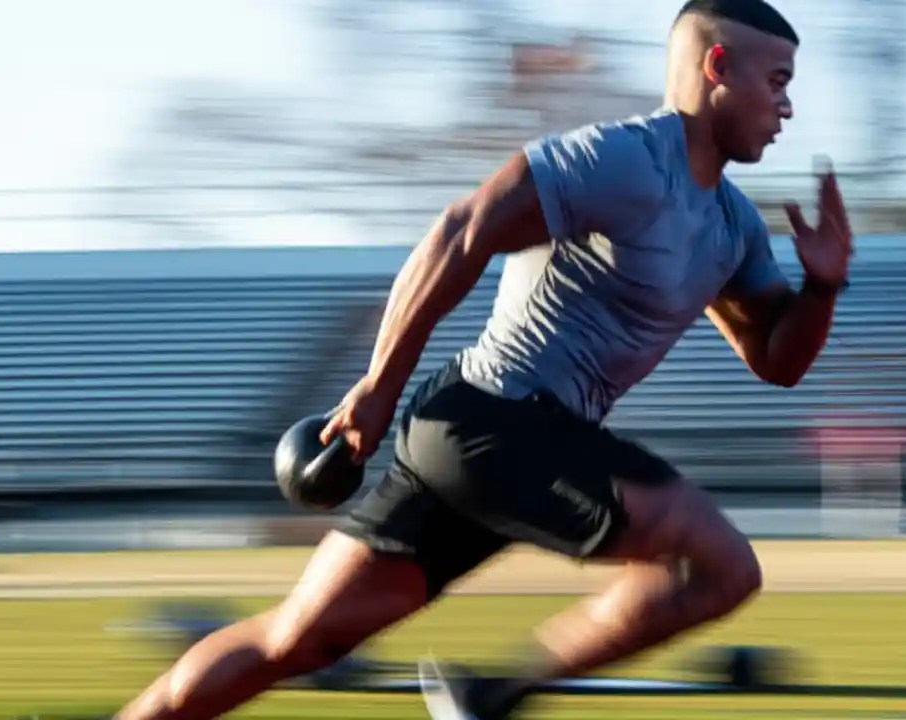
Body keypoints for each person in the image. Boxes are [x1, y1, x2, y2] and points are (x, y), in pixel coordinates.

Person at [111, 0, 852, 718]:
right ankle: (492, 694)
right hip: (493, 419)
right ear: (717, 65)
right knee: (719, 563)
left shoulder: (731, 226)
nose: (786, 107)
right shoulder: (623, 160)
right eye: (777, 81)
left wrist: (822, 284)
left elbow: (777, 360)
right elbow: (462, 229)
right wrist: (377, 385)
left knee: (299, 640)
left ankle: (484, 695)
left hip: (506, 446)